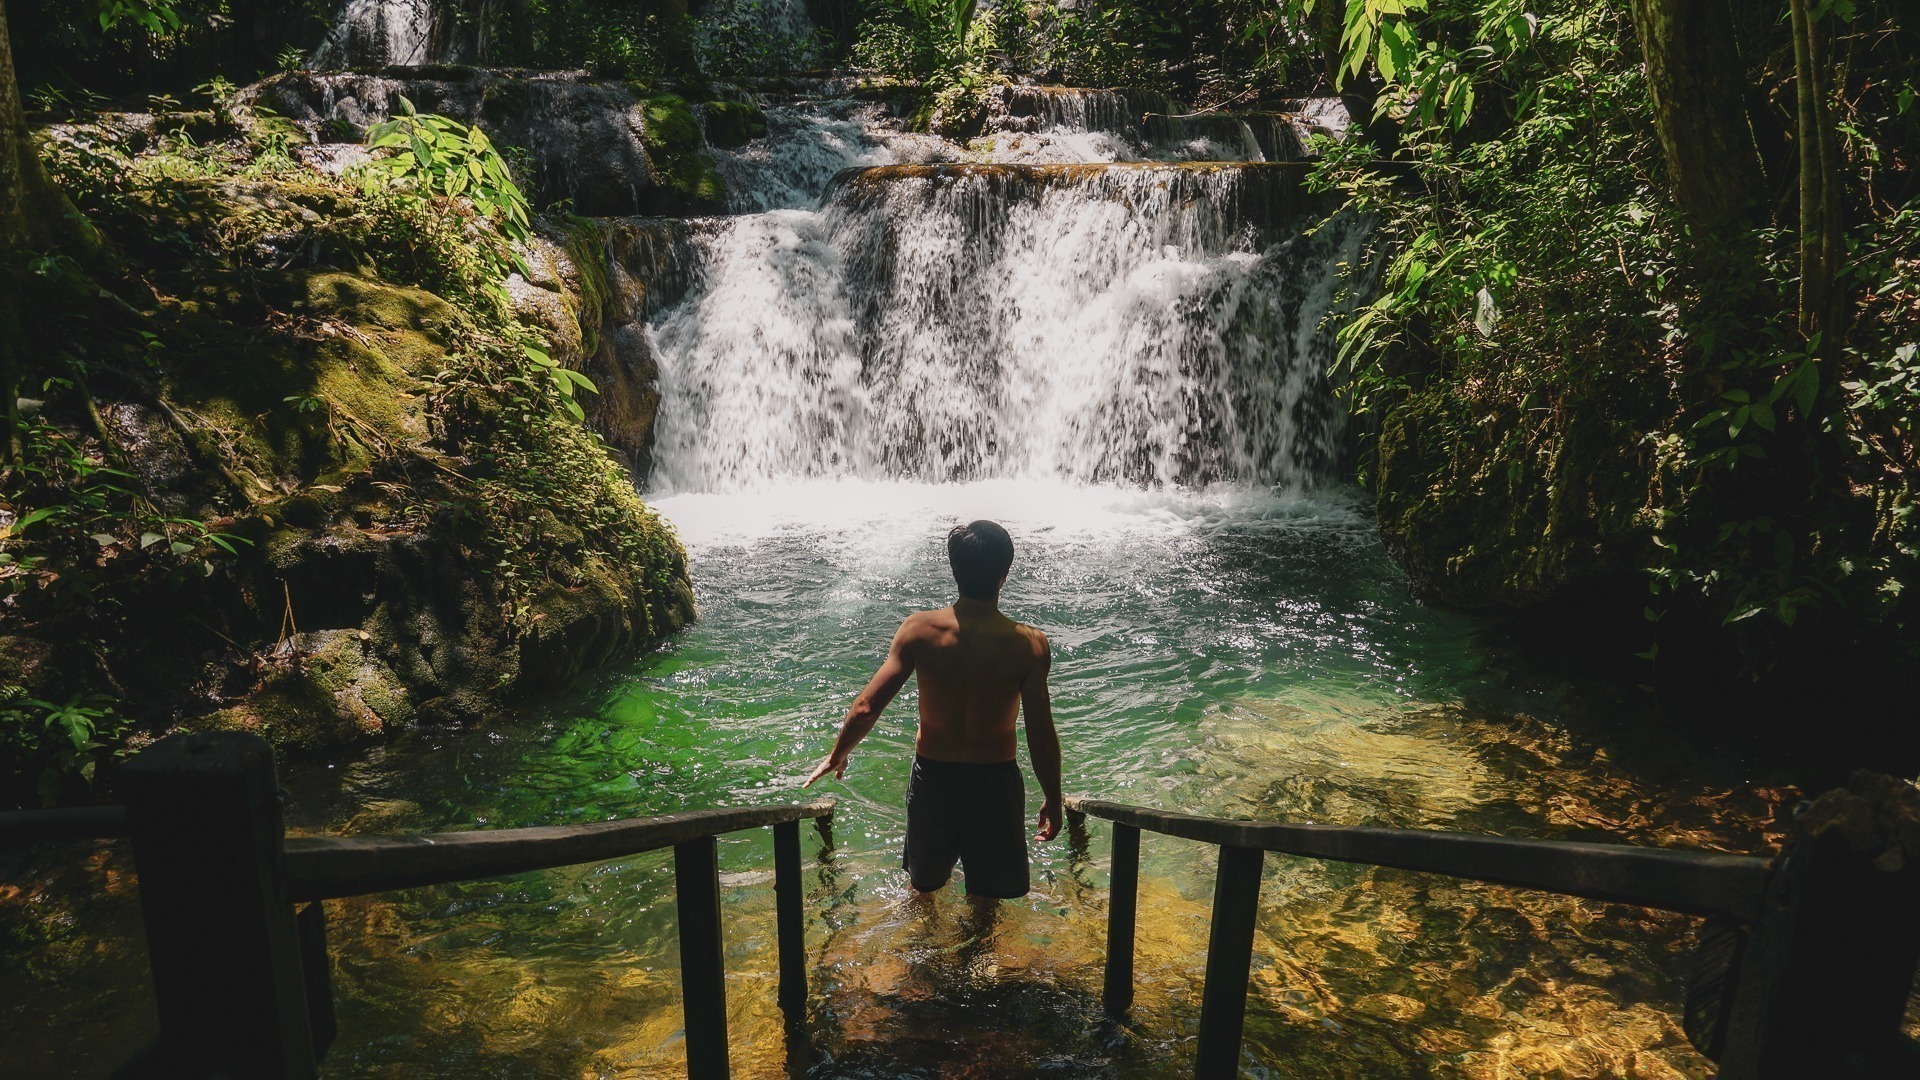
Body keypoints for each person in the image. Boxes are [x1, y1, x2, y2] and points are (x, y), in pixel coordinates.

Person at [803, 520, 1062, 899]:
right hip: (994, 783)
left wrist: (837, 754)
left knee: (923, 889)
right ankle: (979, 955)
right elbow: (1040, 732)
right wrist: (1053, 797)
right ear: (1005, 574)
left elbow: (865, 707)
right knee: (987, 899)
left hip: (934, 781)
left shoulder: (919, 631)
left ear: (954, 569)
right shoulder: (1028, 645)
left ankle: (921, 955)